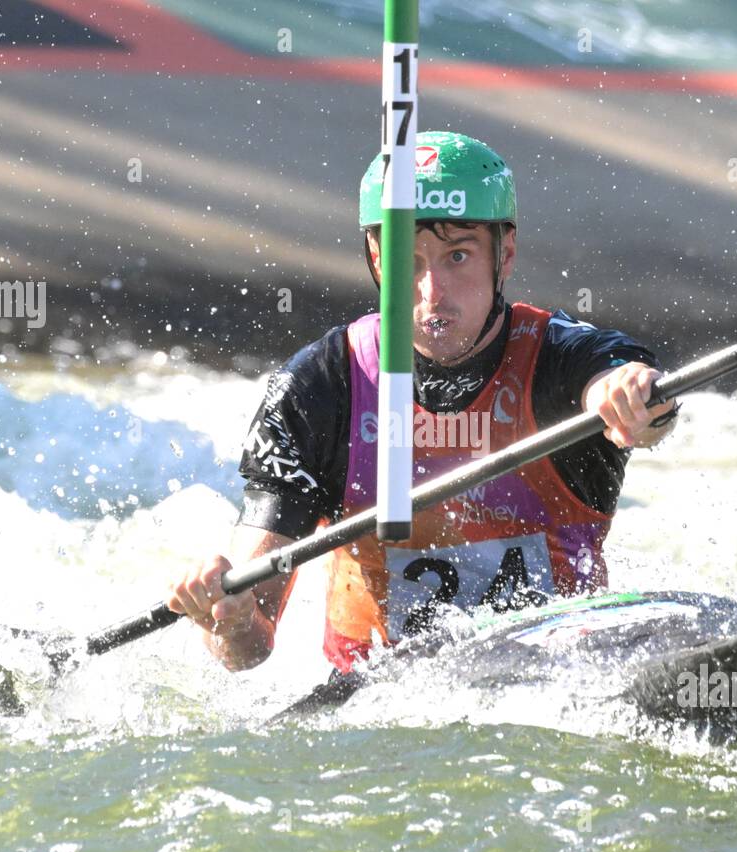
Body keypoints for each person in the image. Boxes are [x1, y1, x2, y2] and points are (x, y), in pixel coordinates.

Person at [168, 131, 678, 673]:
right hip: (381, 699)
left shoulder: (562, 360)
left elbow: (635, 400)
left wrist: (630, 400)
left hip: (563, 676)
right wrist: (229, 618)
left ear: (503, 255)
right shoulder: (318, 390)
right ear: (375, 258)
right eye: (407, 260)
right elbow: (247, 649)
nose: (433, 291)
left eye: (458, 256)